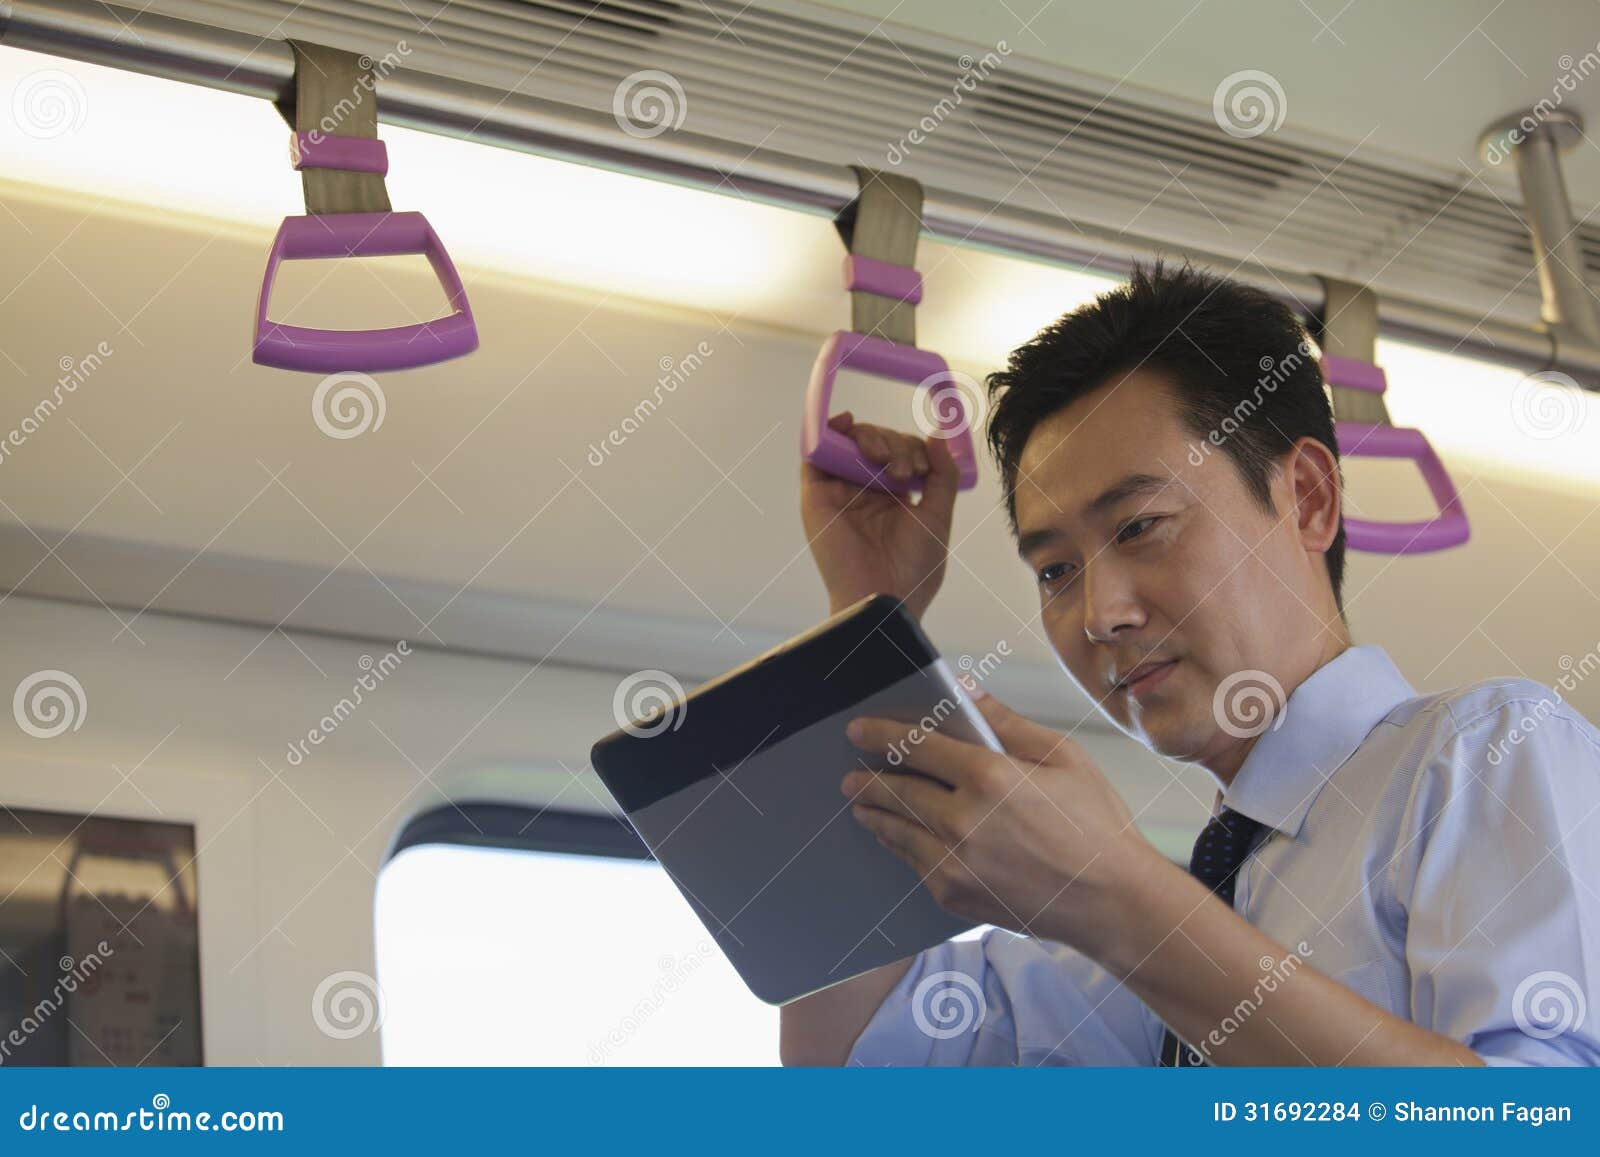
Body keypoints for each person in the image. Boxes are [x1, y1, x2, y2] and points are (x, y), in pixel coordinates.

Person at [784, 260, 1600, 1067]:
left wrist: (1122, 902)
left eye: (1139, 525)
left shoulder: (1483, 752)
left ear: (1307, 499)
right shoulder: (1147, 938)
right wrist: (869, 624)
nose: (1101, 614)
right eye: (1055, 570)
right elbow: (852, 1057)